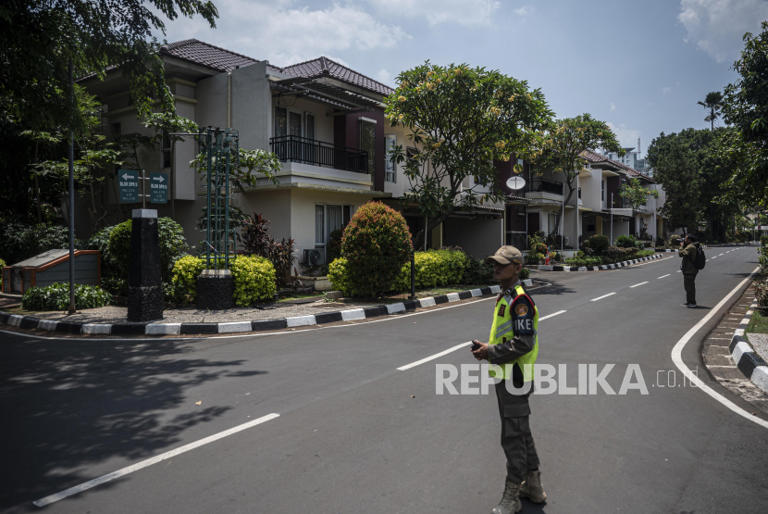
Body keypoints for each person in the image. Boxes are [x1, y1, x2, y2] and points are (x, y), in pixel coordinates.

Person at [471, 245, 547, 514]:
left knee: (512, 437)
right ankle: (534, 486)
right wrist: (488, 347)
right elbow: (507, 337)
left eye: (502, 264)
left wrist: (491, 352)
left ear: (517, 267)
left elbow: (524, 344)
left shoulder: (520, 300)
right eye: (494, 263)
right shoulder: (506, 296)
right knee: (521, 432)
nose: (496, 267)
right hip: (508, 376)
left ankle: (512, 494)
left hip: (515, 379)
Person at [679, 234, 700, 308]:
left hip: (690, 270)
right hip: (689, 269)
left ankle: (692, 302)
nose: (684, 240)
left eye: (686, 239)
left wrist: (681, 246)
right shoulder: (691, 246)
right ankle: (689, 301)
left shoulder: (690, 247)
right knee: (687, 286)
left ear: (690, 240)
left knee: (690, 287)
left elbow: (681, 254)